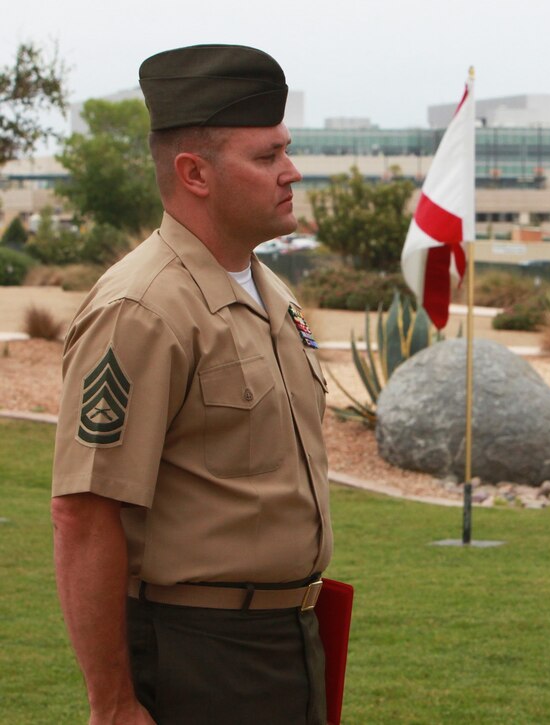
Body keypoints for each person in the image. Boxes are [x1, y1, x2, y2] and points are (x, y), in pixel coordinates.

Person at [51, 44, 332, 724]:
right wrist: (115, 704)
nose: (291, 172)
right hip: (196, 656)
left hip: (287, 644)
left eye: (285, 150)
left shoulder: (271, 293)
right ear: (194, 173)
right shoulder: (142, 308)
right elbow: (85, 516)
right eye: (266, 157)